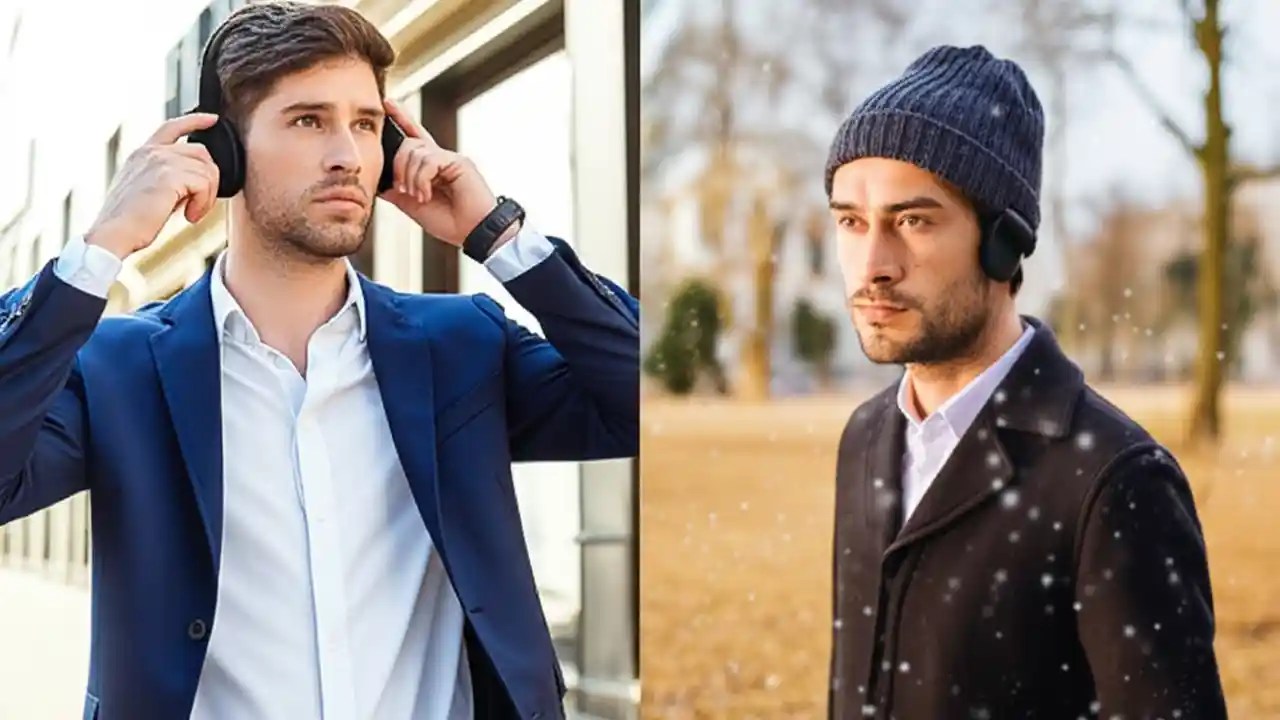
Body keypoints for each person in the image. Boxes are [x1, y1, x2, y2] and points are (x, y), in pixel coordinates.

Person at [0, 3, 637, 719]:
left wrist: (502, 239)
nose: (349, 155)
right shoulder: (119, 367)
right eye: (309, 121)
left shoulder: (462, 345)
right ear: (224, 155)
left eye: (366, 124)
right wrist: (96, 254)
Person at [823, 45, 1225, 719]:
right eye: (850, 222)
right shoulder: (866, 438)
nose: (872, 264)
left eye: (913, 220)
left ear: (1004, 241)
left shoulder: (1114, 480)